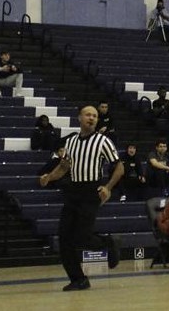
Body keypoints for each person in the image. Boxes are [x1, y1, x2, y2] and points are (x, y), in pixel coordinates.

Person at [38, 105, 123, 291]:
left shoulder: (103, 141)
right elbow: (63, 167)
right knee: (64, 238)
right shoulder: (71, 142)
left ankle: (109, 242)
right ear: (79, 118)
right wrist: (48, 177)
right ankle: (78, 279)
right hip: (73, 191)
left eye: (94, 116)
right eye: (88, 115)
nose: (91, 118)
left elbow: (119, 167)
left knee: (83, 236)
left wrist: (108, 187)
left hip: (91, 191)